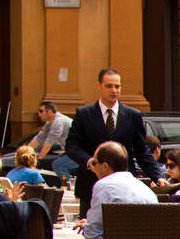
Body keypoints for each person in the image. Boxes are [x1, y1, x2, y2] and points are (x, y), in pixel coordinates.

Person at [65, 68, 164, 218]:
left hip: (124, 189)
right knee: (90, 232)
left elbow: (142, 151)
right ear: (99, 86)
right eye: (109, 86)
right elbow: (71, 146)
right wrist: (89, 161)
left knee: (123, 230)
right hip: (91, 185)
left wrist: (157, 176)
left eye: (117, 86)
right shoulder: (84, 114)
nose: (114, 90)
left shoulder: (132, 115)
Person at [28, 101, 76, 181]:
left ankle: (67, 187)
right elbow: (40, 137)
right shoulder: (50, 122)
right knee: (61, 165)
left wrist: (38, 159)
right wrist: (25, 151)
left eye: (41, 111)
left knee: (58, 165)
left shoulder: (58, 121)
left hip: (81, 151)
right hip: (72, 151)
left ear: (49, 112)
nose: (39, 114)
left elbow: (49, 142)